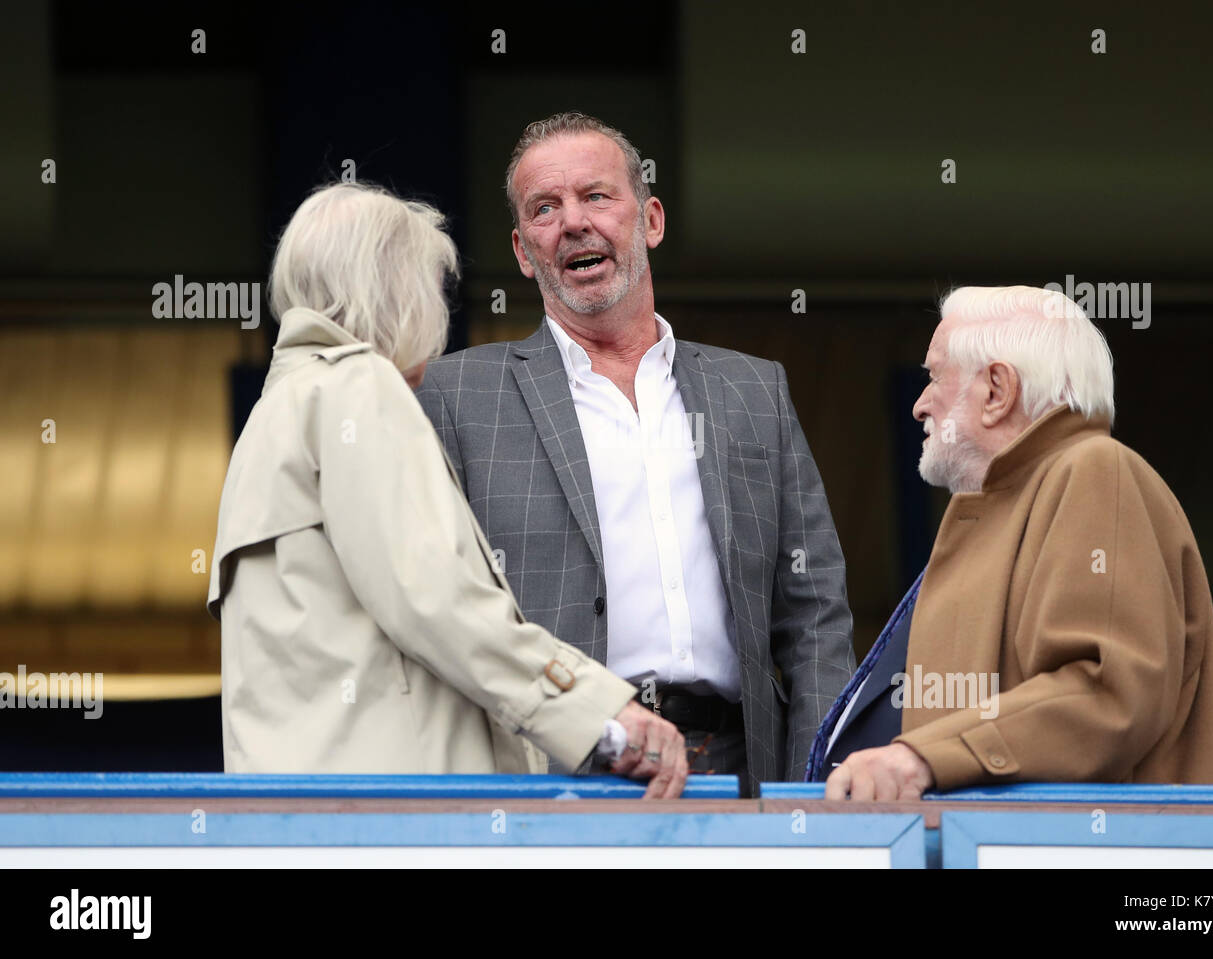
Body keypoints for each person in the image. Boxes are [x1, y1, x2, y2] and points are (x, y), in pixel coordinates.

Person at [418, 113, 855, 795]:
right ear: (524, 251)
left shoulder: (752, 390)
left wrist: (811, 786)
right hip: (551, 775)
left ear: (650, 220)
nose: (573, 222)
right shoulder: (458, 393)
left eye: (596, 196)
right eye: (545, 208)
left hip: (739, 768)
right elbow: (437, 606)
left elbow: (814, 615)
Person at [208, 182, 688, 797]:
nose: (437, 313)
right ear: (393, 286)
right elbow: (433, 595)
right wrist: (596, 711)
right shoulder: (358, 387)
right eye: (432, 287)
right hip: (401, 818)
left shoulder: (271, 417)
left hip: (295, 814)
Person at [808, 285, 1213, 800]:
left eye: (934, 377)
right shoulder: (1019, 499)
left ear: (997, 391)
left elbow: (1106, 693)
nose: (920, 406)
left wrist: (921, 758)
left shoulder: (1096, 470)